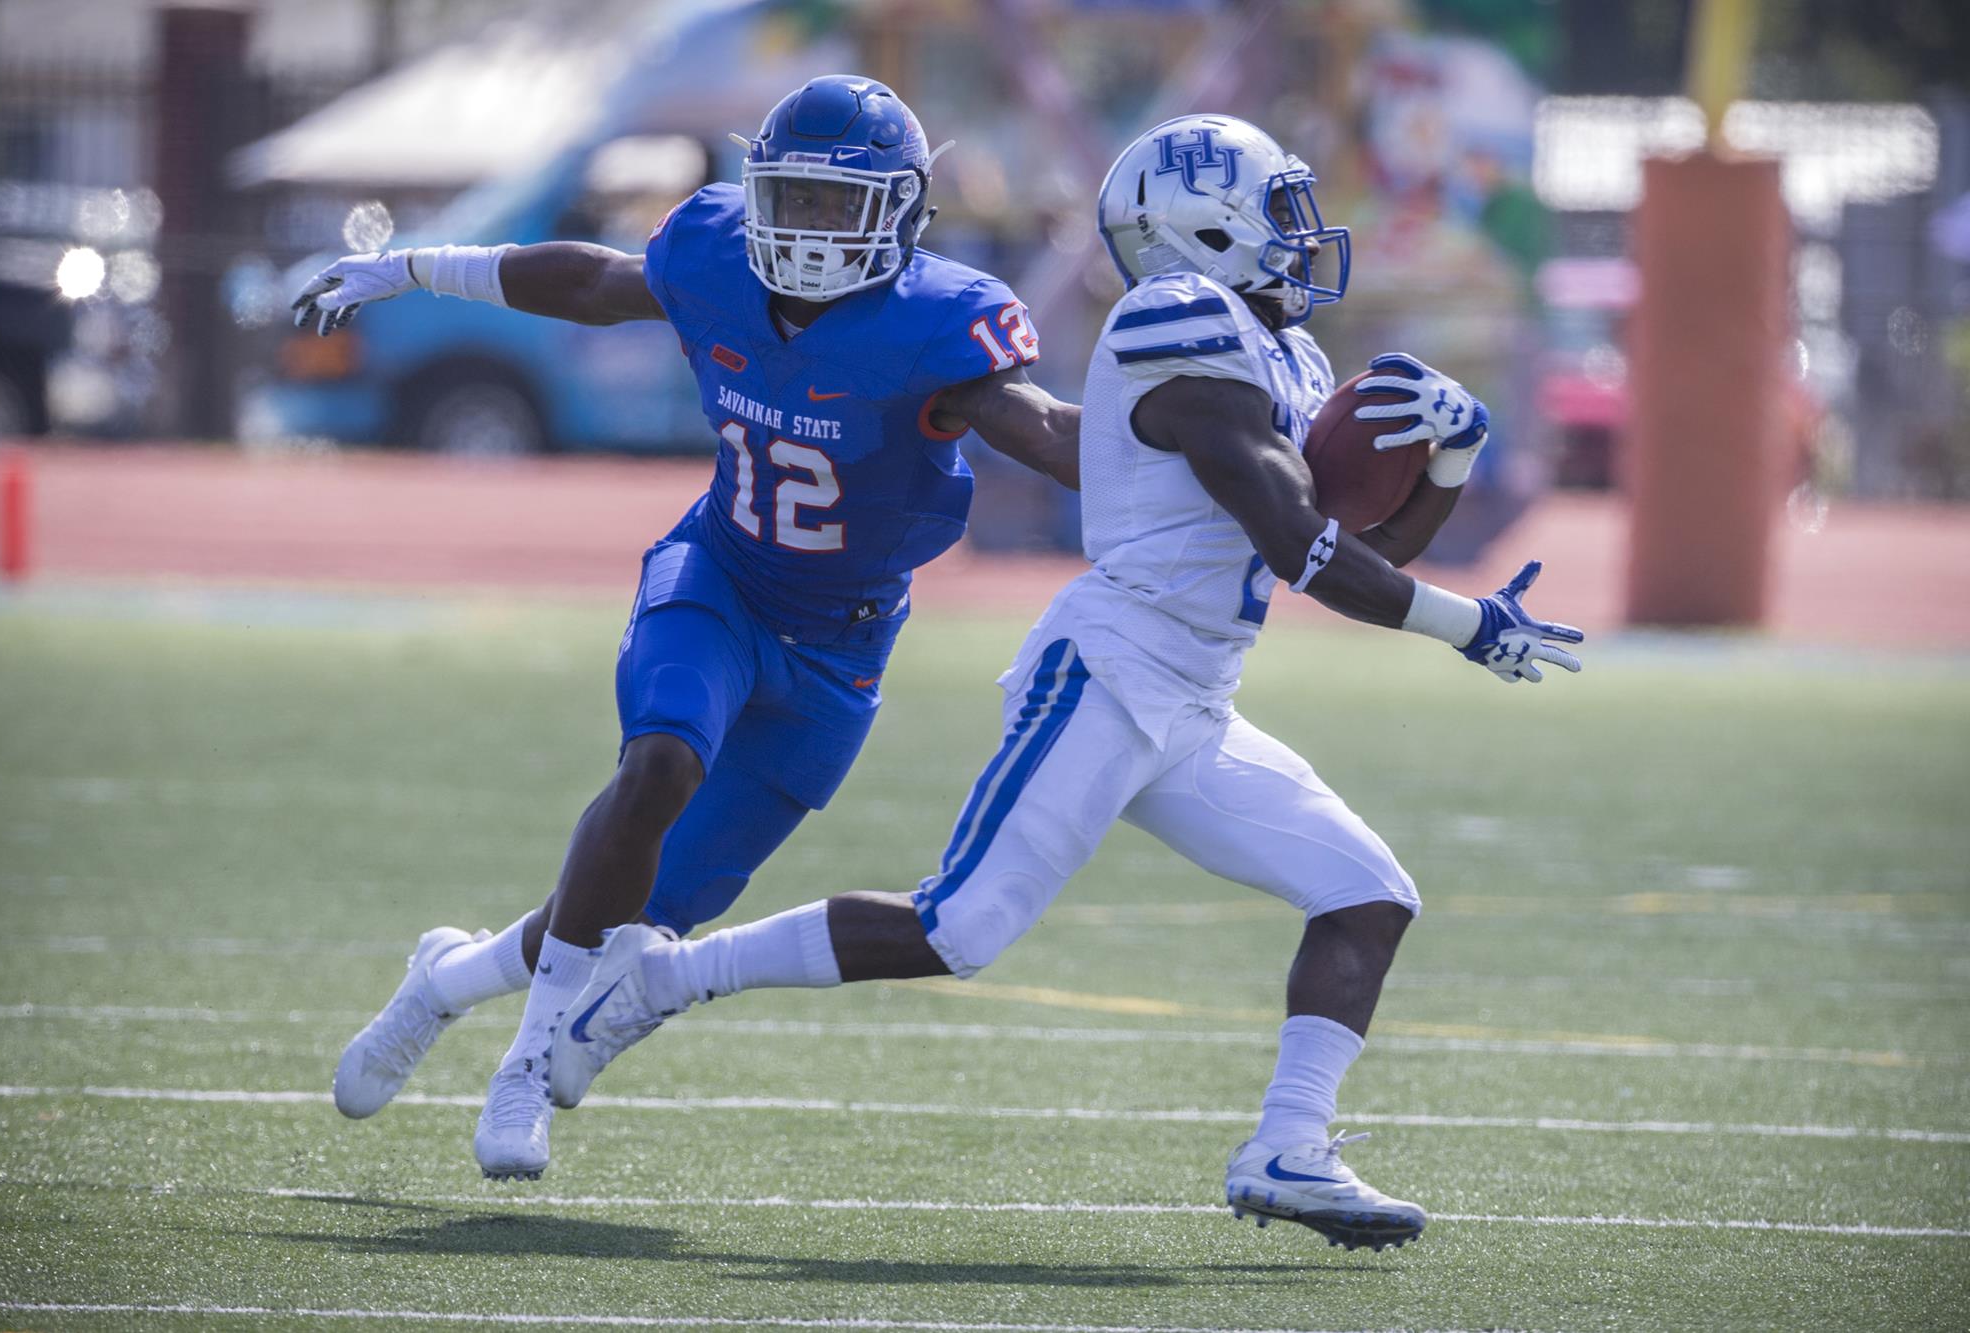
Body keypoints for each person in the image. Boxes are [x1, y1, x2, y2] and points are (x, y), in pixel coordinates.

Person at [542, 114, 1585, 1252]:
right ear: (1201, 229)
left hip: (1192, 696)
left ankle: (1288, 1147)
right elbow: (1300, 548)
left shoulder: (1284, 351)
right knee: (958, 927)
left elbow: (1353, 544)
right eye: (1275, 210)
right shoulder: (1172, 319)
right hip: (1106, 668)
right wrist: (1469, 625)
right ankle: (663, 981)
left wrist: (1447, 463)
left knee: (1367, 894)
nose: (1300, 233)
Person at [293, 76, 1080, 1181]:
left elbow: (1044, 432)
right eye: (792, 198)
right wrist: (413, 265)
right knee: (659, 762)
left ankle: (446, 978)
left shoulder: (938, 322)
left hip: (843, 645)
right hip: (720, 576)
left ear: (901, 212)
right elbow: (593, 281)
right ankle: (525, 1067)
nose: (808, 229)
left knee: (638, 912)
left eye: (836, 204)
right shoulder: (715, 255)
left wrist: (1195, 459)